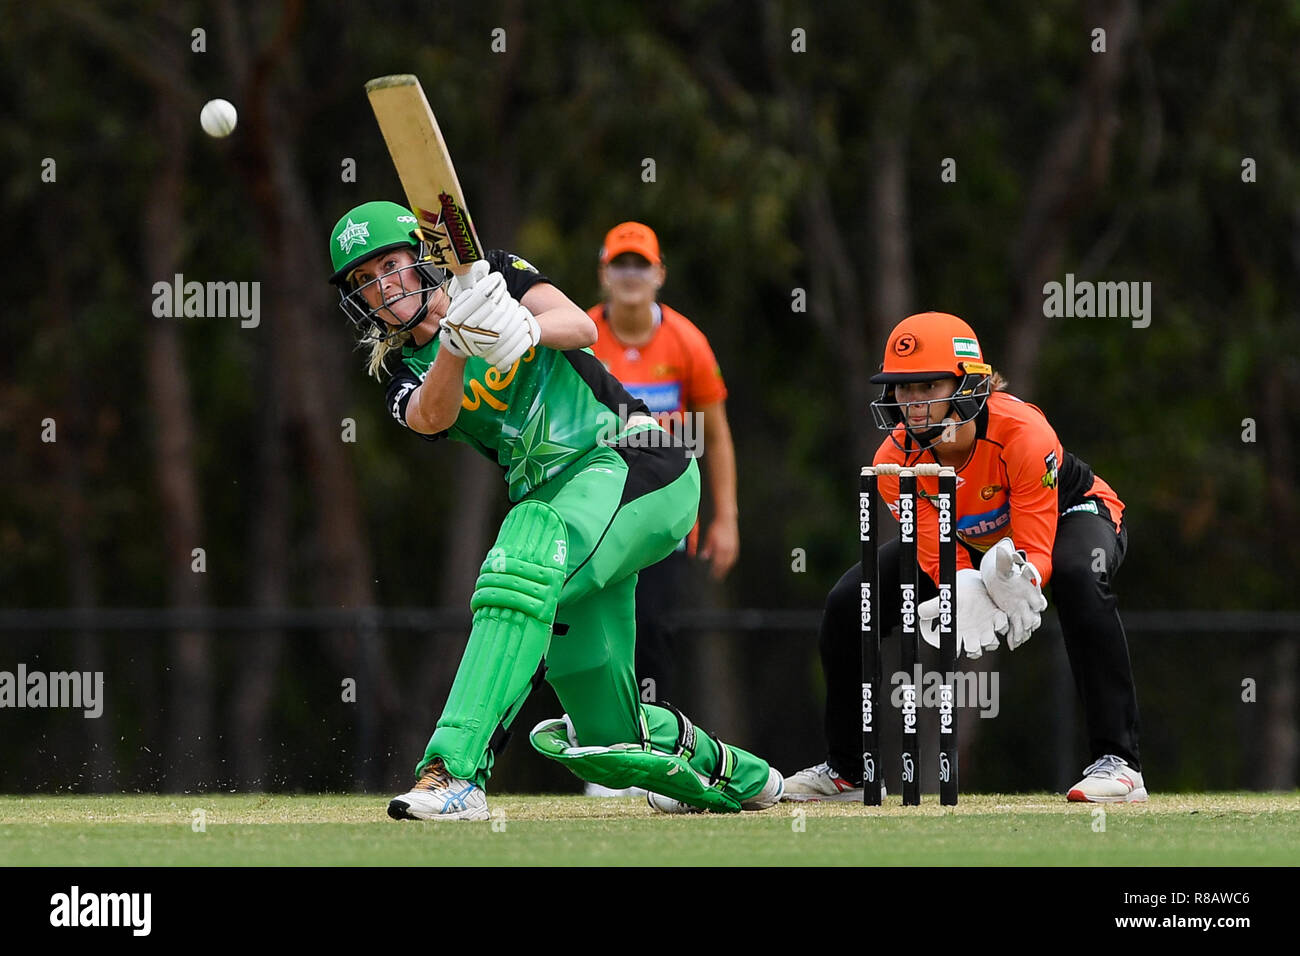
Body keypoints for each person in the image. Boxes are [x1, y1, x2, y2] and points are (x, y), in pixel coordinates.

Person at [326, 200, 783, 818]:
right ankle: (743, 777)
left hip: (634, 460)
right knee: (607, 732)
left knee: (520, 559)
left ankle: (453, 772)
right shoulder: (402, 366)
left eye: (389, 265)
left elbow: (582, 327)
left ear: (423, 256)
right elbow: (429, 416)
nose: (381, 287)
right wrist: (458, 344)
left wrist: (523, 325)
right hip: (560, 501)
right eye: (363, 281)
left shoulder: (488, 272)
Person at [784, 312, 1145, 803]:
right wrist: (966, 586)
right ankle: (850, 772)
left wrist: (1017, 581)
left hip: (1071, 514)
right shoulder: (892, 463)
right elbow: (936, 551)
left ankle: (1119, 763)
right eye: (902, 389)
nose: (911, 404)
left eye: (927, 385)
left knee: (1082, 576)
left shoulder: (1024, 433)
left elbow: (1037, 551)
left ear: (969, 384)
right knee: (851, 601)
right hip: (972, 546)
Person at [586, 221, 740, 708]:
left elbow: (715, 435)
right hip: (597, 513)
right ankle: (600, 755)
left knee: (652, 629)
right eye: (620, 263)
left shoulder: (686, 341)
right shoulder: (581, 336)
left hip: (664, 516)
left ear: (659, 274)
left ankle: (652, 751)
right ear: (604, 273)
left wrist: (728, 519)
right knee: (592, 631)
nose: (630, 274)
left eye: (641, 264)